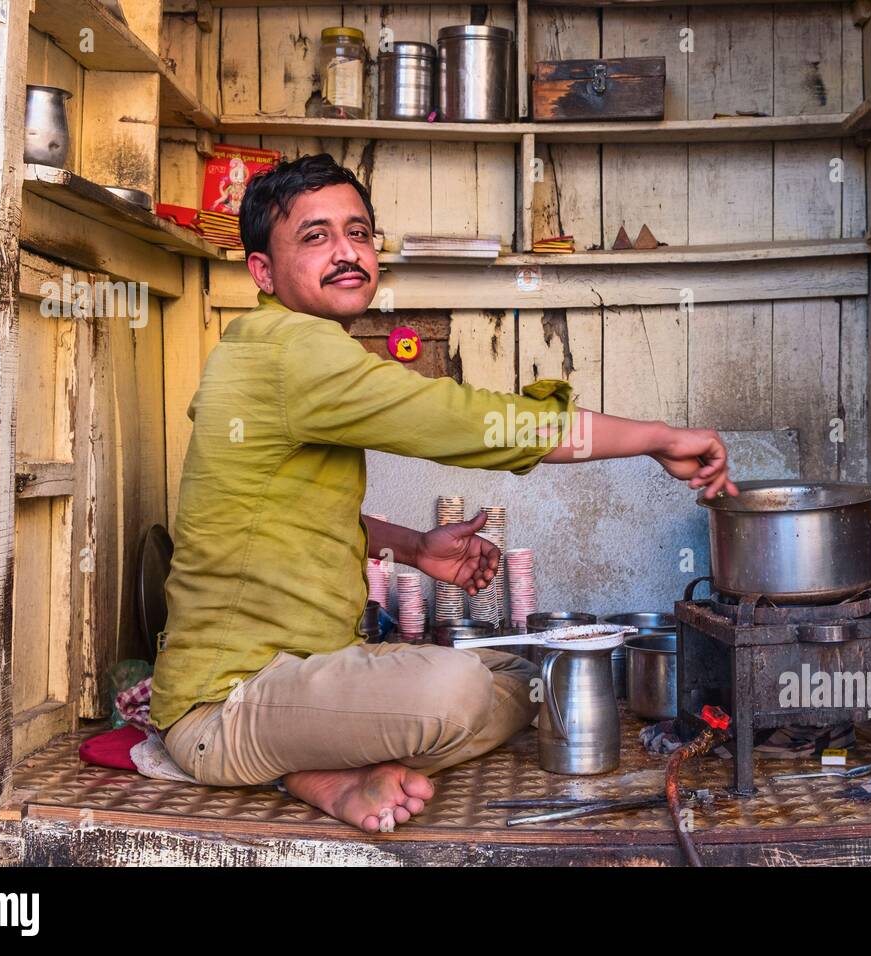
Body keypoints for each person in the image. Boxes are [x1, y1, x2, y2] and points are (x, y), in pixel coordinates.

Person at [150, 153, 739, 833]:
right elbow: (465, 423)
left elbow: (285, 514)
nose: (347, 253)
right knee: (454, 689)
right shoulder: (287, 349)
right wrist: (655, 437)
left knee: (518, 677)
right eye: (315, 237)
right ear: (262, 271)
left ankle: (331, 773)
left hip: (313, 673)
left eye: (360, 233)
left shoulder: (289, 350)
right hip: (225, 704)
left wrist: (414, 548)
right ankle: (308, 770)